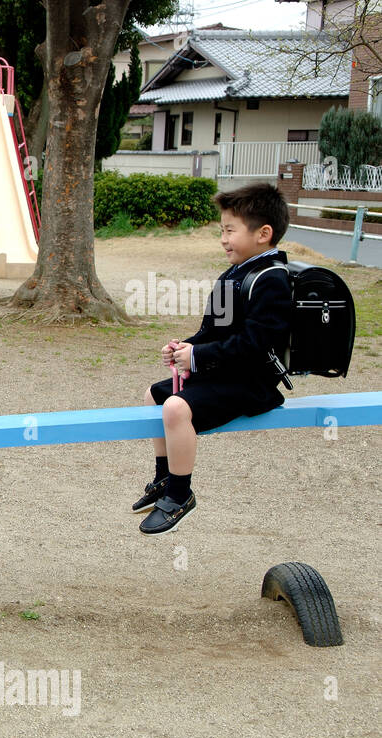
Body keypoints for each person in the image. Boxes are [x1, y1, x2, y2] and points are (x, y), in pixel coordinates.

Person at [134, 183, 294, 535]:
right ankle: (164, 478)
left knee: (176, 408)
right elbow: (212, 332)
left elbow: (254, 345)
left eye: (230, 230)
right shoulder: (234, 275)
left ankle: (179, 495)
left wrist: (199, 357)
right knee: (154, 395)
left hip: (253, 383)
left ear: (263, 234)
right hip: (226, 372)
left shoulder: (272, 280)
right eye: (222, 230)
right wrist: (184, 349)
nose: (222, 238)